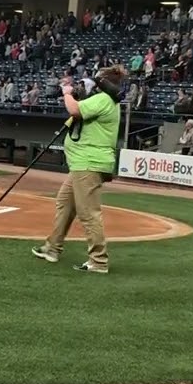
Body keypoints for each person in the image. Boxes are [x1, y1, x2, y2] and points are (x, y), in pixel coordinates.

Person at [31, 66, 124, 274]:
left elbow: (74, 110)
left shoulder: (104, 100)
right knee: (65, 203)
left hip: (89, 162)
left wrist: (66, 92)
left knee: (88, 213)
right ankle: (52, 248)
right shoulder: (105, 100)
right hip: (83, 163)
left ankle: (98, 261)